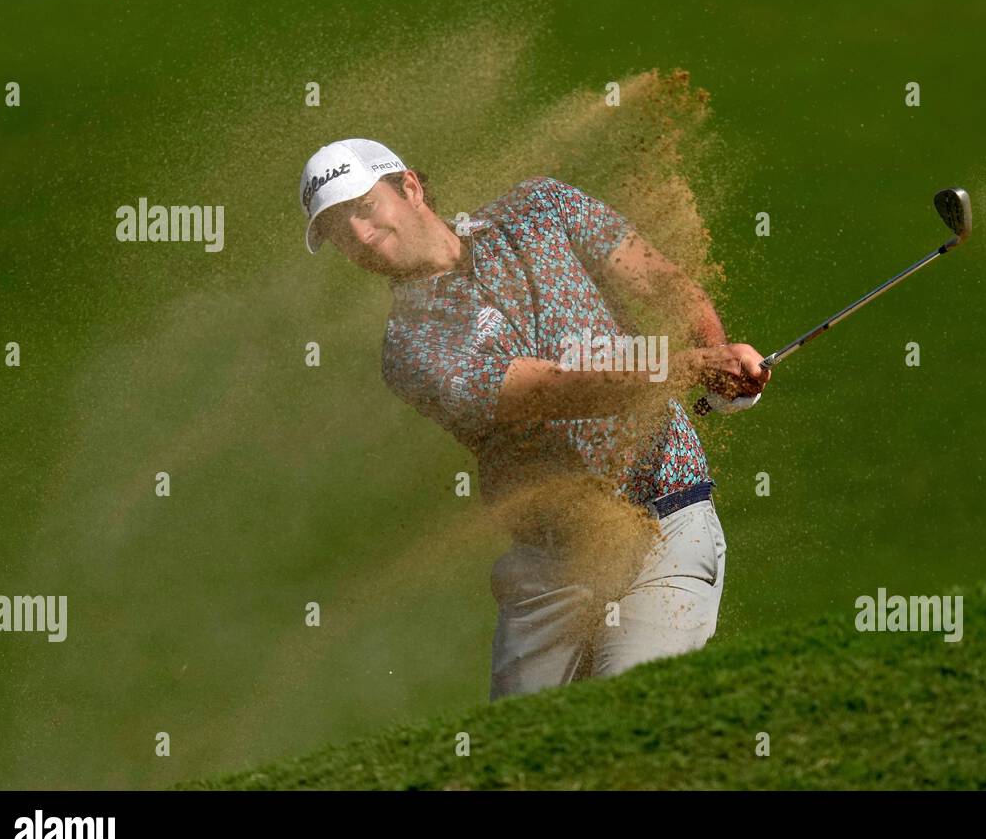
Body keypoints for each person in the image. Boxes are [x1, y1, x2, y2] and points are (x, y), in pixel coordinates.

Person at [298, 138, 770, 700]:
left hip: (665, 521)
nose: (358, 236)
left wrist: (715, 357)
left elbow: (663, 284)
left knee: (631, 716)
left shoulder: (541, 208)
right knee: (521, 764)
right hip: (550, 569)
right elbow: (556, 389)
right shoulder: (411, 347)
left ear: (410, 188)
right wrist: (686, 367)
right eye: (336, 231)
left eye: (363, 209)